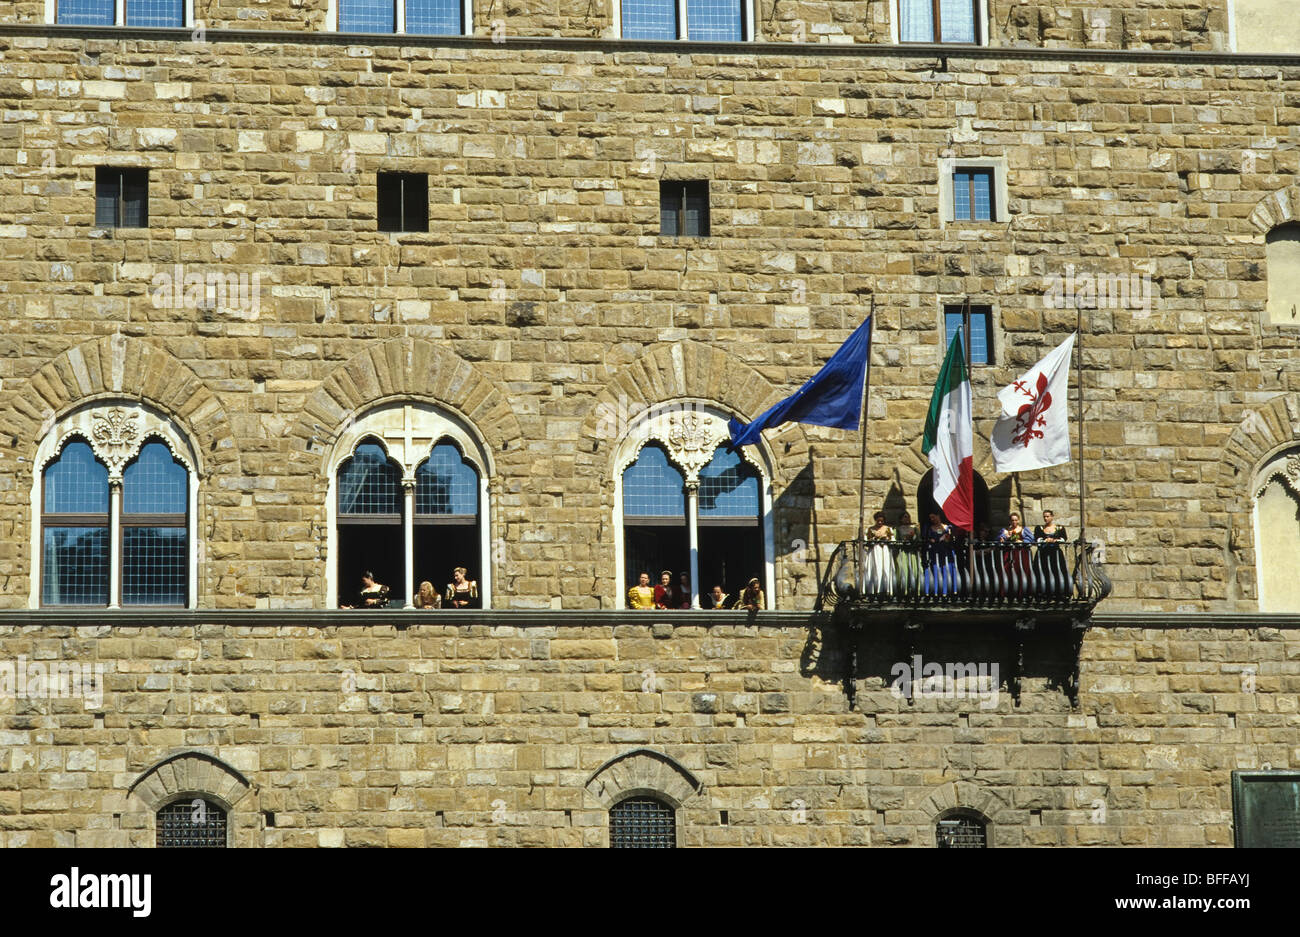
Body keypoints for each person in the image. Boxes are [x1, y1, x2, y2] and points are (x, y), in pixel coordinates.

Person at [998, 512, 1035, 597]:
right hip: (1009, 553)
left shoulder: (1023, 529)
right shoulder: (1006, 531)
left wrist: (1022, 541)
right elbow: (999, 540)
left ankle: (1023, 592)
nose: (1014, 522)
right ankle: (1008, 591)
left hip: (1021, 553)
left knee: (1022, 570)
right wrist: (1003, 539)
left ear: (1018, 520)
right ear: (1010, 521)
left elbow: (1031, 540)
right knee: (1007, 570)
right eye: (1012, 520)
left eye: (1015, 520)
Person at [1033, 509, 1070, 596]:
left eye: (1047, 516)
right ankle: (1043, 592)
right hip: (1043, 553)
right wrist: (1045, 540)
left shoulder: (1059, 528)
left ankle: (1059, 592)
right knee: (1043, 571)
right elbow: (1037, 538)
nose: (1046, 518)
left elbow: (1064, 538)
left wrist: (1055, 540)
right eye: (1044, 517)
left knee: (1057, 570)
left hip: (1055, 553)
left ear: (1052, 517)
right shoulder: (1039, 528)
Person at [923, 512, 957, 597]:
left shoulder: (947, 527)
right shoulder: (929, 528)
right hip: (935, 552)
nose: (932, 519)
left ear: (938, 516)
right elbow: (929, 540)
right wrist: (937, 540)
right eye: (930, 518)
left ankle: (948, 591)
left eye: (933, 517)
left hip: (946, 552)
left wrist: (945, 538)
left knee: (946, 569)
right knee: (935, 569)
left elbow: (950, 539)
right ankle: (936, 591)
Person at [863, 511, 894, 598]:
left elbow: (893, 540)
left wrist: (886, 539)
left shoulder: (888, 529)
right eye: (878, 521)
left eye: (881, 521)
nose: (880, 522)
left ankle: (886, 589)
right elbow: (866, 540)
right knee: (875, 568)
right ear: (875, 520)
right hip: (874, 551)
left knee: (885, 567)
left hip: (884, 550)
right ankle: (873, 589)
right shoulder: (870, 529)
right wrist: (873, 538)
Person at [894, 511, 921, 596]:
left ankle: (916, 590)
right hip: (903, 552)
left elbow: (918, 539)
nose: (907, 519)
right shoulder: (898, 529)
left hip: (912, 551)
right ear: (901, 519)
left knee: (915, 570)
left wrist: (913, 537)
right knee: (903, 570)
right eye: (905, 517)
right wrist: (903, 541)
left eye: (908, 517)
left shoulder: (914, 528)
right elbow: (895, 540)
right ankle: (903, 590)